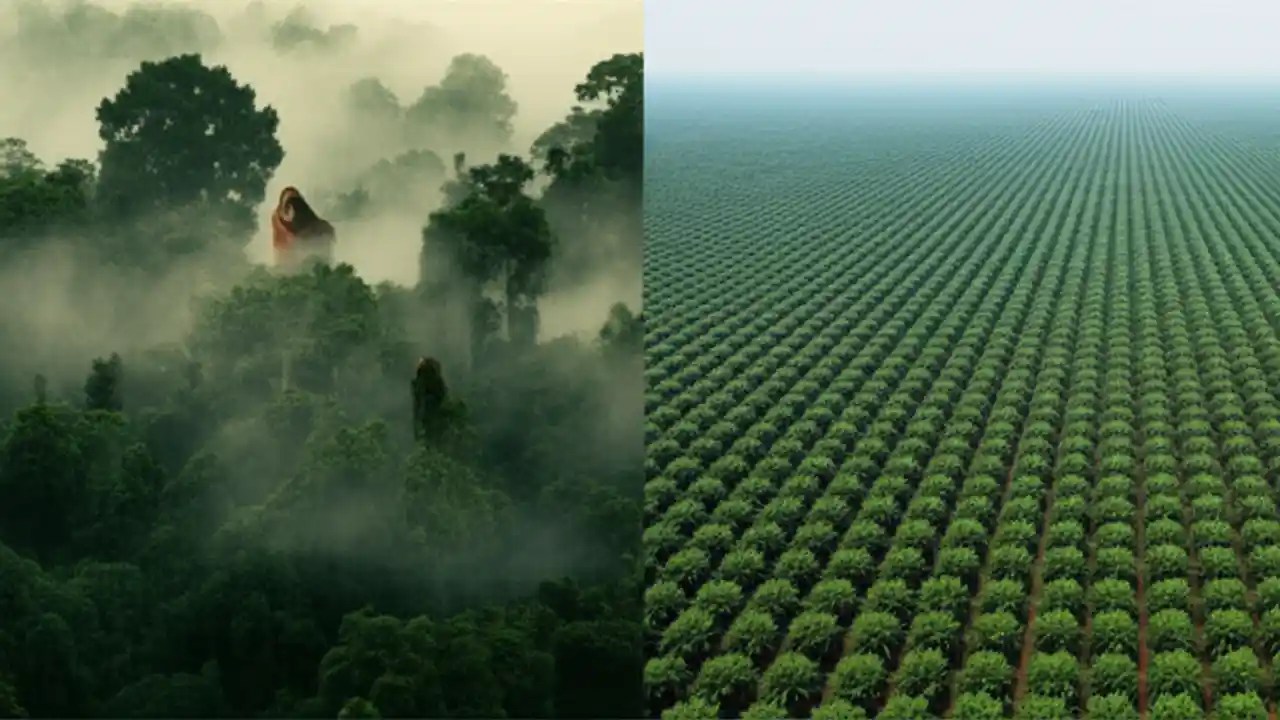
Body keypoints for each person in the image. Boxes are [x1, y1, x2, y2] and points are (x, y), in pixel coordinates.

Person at [271, 186, 335, 269]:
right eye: (288, 205)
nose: (291, 207)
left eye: (295, 203)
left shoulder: (318, 227)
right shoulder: (277, 217)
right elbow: (279, 249)